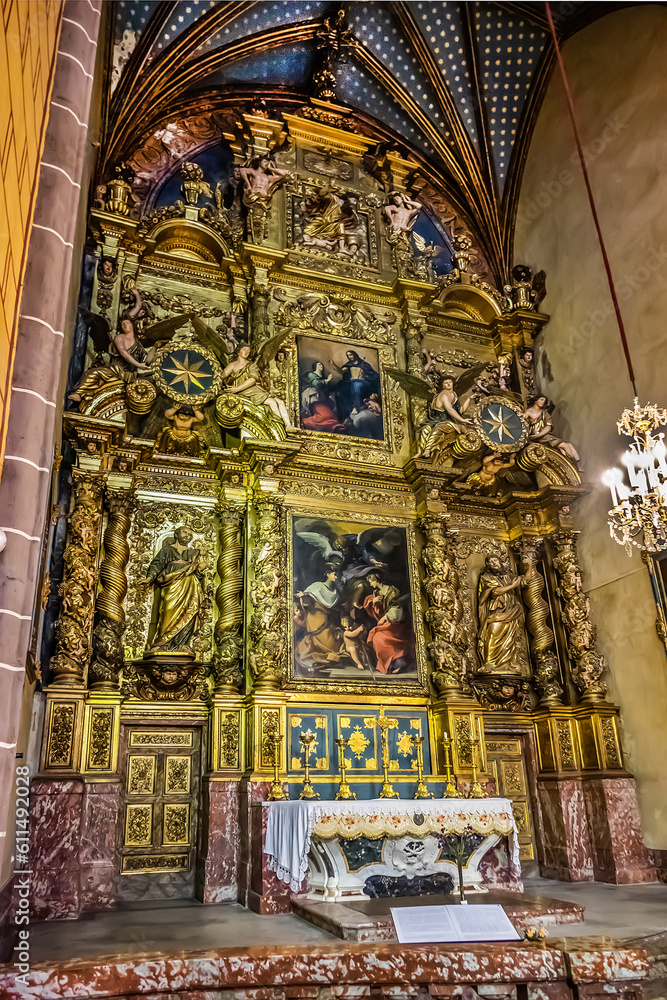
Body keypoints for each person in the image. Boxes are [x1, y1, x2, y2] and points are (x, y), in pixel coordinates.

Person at [139, 526, 206, 653]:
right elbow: (157, 564)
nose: (188, 535)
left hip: (190, 588)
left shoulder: (194, 553)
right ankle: (163, 642)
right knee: (167, 614)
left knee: (189, 613)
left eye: (190, 534)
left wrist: (200, 570)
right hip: (171, 586)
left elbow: (198, 575)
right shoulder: (167, 550)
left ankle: (183, 644)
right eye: (185, 532)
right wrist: (149, 578)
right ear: (177, 534)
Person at [477, 555, 533, 675]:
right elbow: (495, 591)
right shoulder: (486, 577)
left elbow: (526, 580)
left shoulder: (509, 577)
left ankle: (508, 665)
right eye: (490, 562)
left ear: (500, 562)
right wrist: (512, 586)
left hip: (511, 611)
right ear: (488, 566)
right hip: (496, 612)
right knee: (492, 632)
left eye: (495, 560)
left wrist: (529, 566)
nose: (494, 563)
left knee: (509, 640)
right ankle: (489, 662)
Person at [221, 343, 291, 427]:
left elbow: (252, 380)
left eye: (248, 350)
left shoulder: (251, 365)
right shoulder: (232, 365)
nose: (246, 352)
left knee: (280, 402)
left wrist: (236, 389)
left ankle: (288, 425)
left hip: (250, 389)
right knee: (272, 402)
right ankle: (279, 427)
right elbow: (221, 376)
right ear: (238, 351)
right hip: (244, 391)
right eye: (244, 349)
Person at [362, 571, 414, 674]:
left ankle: (397, 662)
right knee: (377, 637)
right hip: (385, 623)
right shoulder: (376, 593)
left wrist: (386, 616)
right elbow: (375, 611)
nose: (370, 585)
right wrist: (374, 603)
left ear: (375, 580)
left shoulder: (392, 591)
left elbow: (397, 607)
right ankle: (391, 664)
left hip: (395, 623)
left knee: (379, 638)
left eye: (370, 582)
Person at [524, 395, 580, 463]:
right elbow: (523, 424)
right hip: (534, 436)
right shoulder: (528, 412)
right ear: (536, 400)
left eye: (544, 401)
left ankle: (576, 464)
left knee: (569, 445)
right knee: (565, 445)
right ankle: (574, 463)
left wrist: (540, 435)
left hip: (543, 436)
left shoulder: (545, 414)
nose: (542, 402)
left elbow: (549, 427)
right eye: (541, 400)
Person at [300, 361, 344, 432]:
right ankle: (306, 422)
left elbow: (328, 389)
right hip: (315, 397)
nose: (322, 366)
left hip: (323, 398)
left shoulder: (323, 377)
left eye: (322, 364)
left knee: (330, 416)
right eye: (319, 364)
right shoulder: (312, 375)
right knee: (325, 416)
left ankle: (333, 426)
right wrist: (327, 380)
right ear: (315, 367)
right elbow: (316, 384)